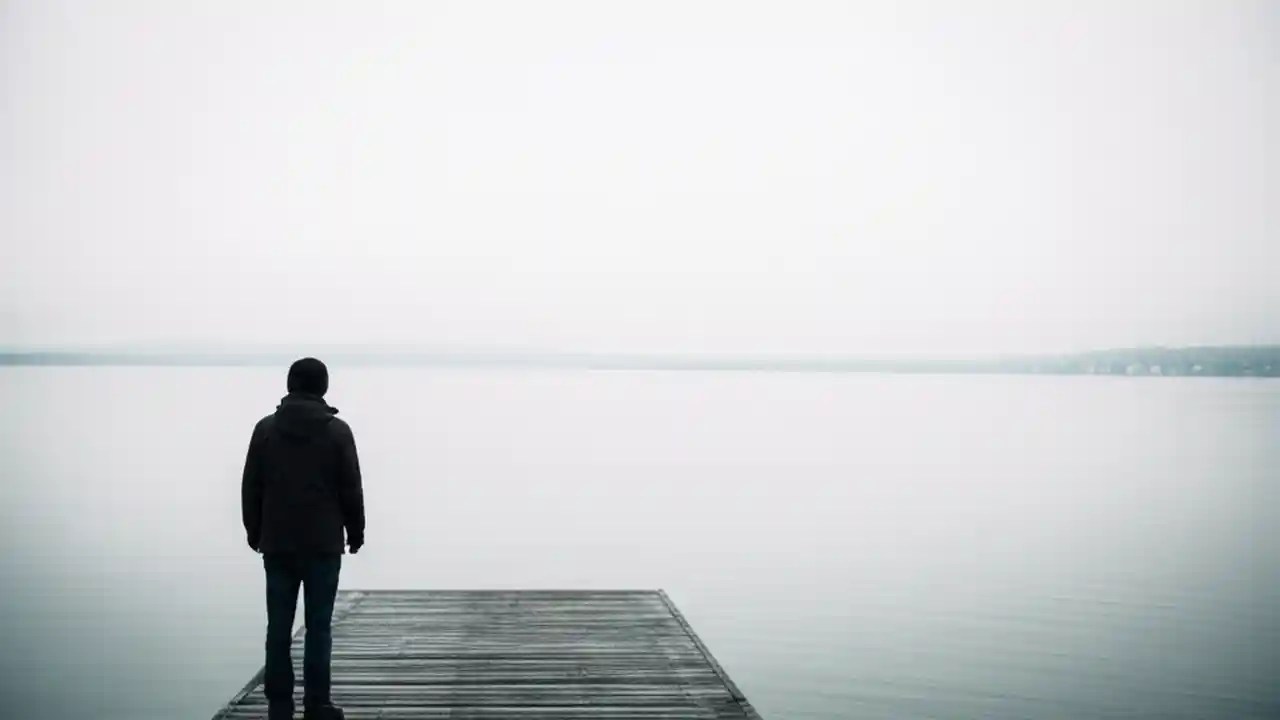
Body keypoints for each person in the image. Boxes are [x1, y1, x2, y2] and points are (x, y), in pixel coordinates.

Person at [242, 357, 365, 720]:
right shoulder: (338, 431)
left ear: (289, 385)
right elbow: (351, 487)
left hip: (277, 542)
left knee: (278, 626)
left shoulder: (265, 429)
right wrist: (355, 532)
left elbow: (251, 485)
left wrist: (254, 530)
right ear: (323, 388)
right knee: (318, 627)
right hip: (323, 545)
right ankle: (317, 704)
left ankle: (279, 705)